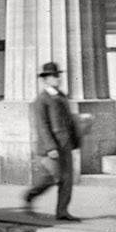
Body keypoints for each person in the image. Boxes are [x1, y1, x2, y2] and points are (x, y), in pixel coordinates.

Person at [22, 60, 84, 221]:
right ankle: (31, 195)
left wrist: (75, 140)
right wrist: (50, 147)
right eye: (53, 76)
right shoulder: (42, 99)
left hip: (65, 143)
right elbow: (42, 125)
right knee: (50, 178)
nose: (57, 78)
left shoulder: (61, 96)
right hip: (51, 146)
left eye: (57, 75)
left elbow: (69, 120)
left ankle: (62, 211)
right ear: (45, 79)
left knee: (67, 179)